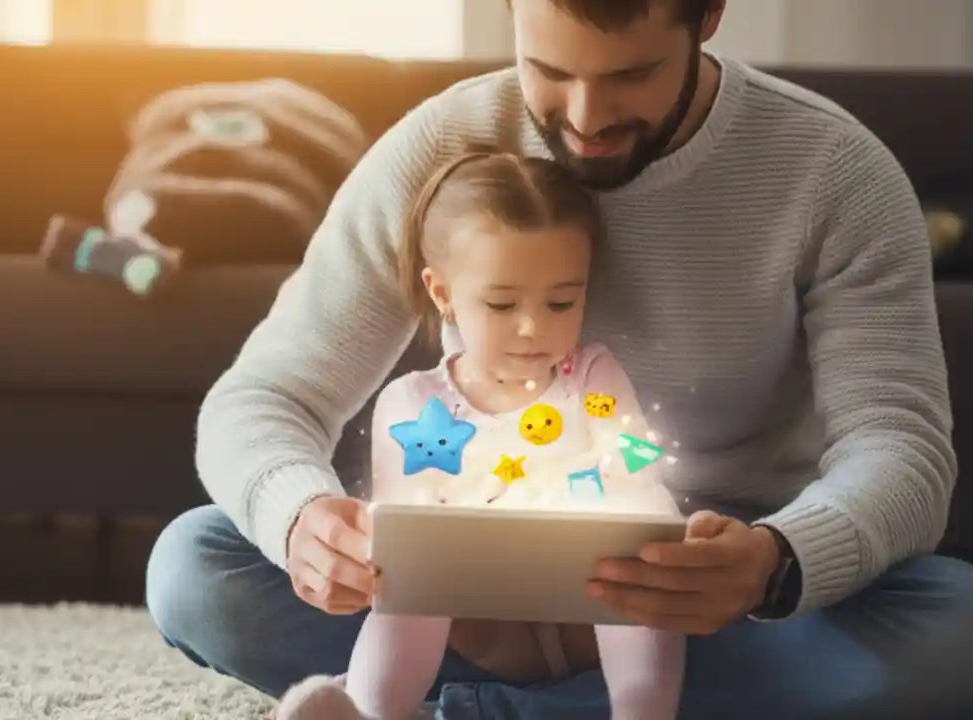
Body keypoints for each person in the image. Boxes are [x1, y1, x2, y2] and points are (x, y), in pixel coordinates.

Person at [147, 0, 973, 717]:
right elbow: (262, 397)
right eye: (549, 70)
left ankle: (435, 708)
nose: (583, 115)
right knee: (196, 564)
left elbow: (902, 451)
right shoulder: (438, 149)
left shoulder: (837, 172)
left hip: (714, 587)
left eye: (631, 75)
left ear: (709, 19)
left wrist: (776, 563)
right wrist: (299, 520)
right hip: (459, 591)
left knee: (955, 630)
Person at [275, 151, 687, 720]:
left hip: (588, 602)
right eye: (501, 303)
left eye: (561, 302)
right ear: (442, 294)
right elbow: (405, 531)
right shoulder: (414, 403)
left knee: (647, 592)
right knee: (403, 596)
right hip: (472, 622)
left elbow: (637, 459)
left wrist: (596, 486)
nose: (533, 327)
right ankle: (372, 710)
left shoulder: (590, 377)